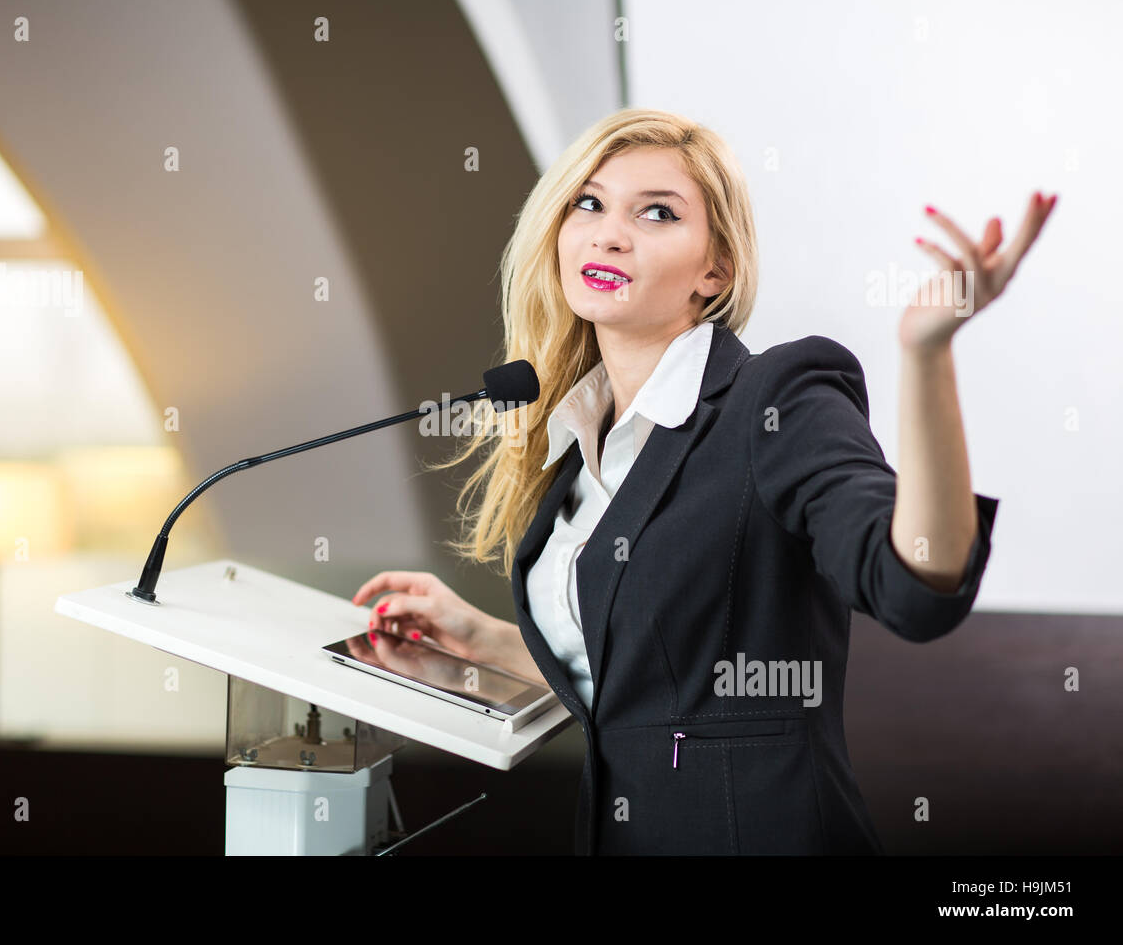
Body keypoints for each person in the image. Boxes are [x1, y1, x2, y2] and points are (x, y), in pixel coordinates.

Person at [351, 108, 1055, 854]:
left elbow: (918, 584)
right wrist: (482, 637)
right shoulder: (579, 447)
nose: (609, 233)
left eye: (656, 213)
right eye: (588, 203)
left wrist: (926, 355)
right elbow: (647, 682)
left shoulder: (777, 400)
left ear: (715, 269)